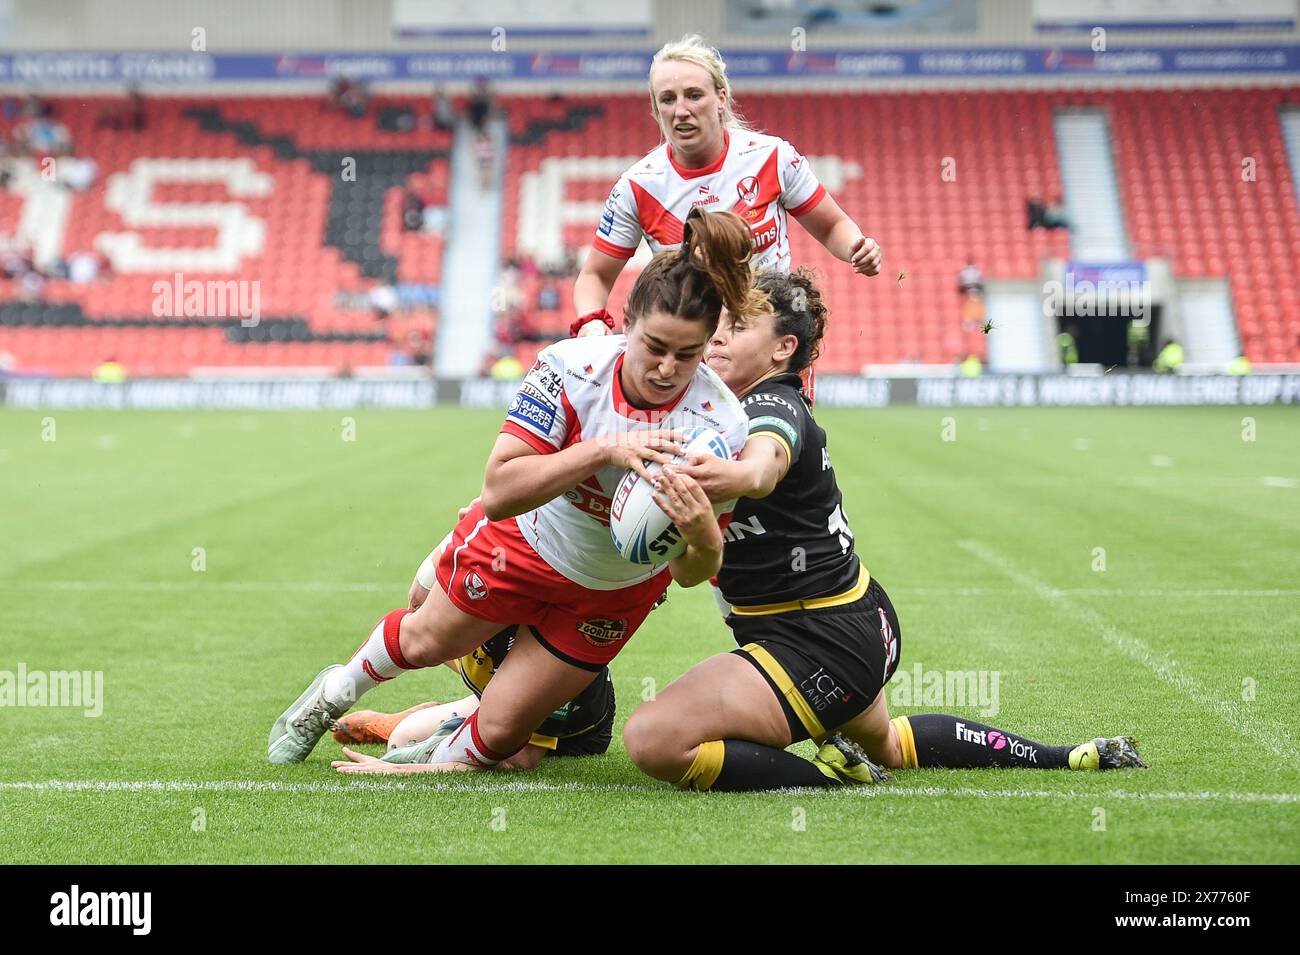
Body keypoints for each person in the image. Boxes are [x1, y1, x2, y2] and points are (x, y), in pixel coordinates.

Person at [271, 208, 759, 770]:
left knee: (502, 730)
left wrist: (702, 534)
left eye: (688, 354)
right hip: (526, 542)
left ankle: (412, 766)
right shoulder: (569, 369)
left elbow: (689, 573)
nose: (669, 369)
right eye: (655, 346)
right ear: (627, 323)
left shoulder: (720, 424)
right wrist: (603, 450)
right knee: (427, 642)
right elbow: (501, 489)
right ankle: (333, 694)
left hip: (615, 591)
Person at [621, 269, 1145, 791]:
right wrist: (694, 530)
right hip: (853, 620)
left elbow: (760, 471)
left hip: (816, 637)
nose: (717, 336)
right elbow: (692, 573)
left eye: (737, 327)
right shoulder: (721, 414)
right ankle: (1067, 757)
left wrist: (707, 478)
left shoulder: (773, 404)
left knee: (654, 740)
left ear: (783, 347)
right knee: (891, 746)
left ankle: (832, 779)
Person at [570, 34, 882, 401]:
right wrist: (591, 324)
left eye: (694, 95)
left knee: (775, 448)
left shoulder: (772, 158)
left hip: (770, 350)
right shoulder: (638, 187)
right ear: (655, 111)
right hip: (692, 351)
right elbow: (594, 276)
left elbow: (832, 226)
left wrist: (856, 247)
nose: (681, 110)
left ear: (721, 98)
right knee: (701, 457)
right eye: (667, 100)